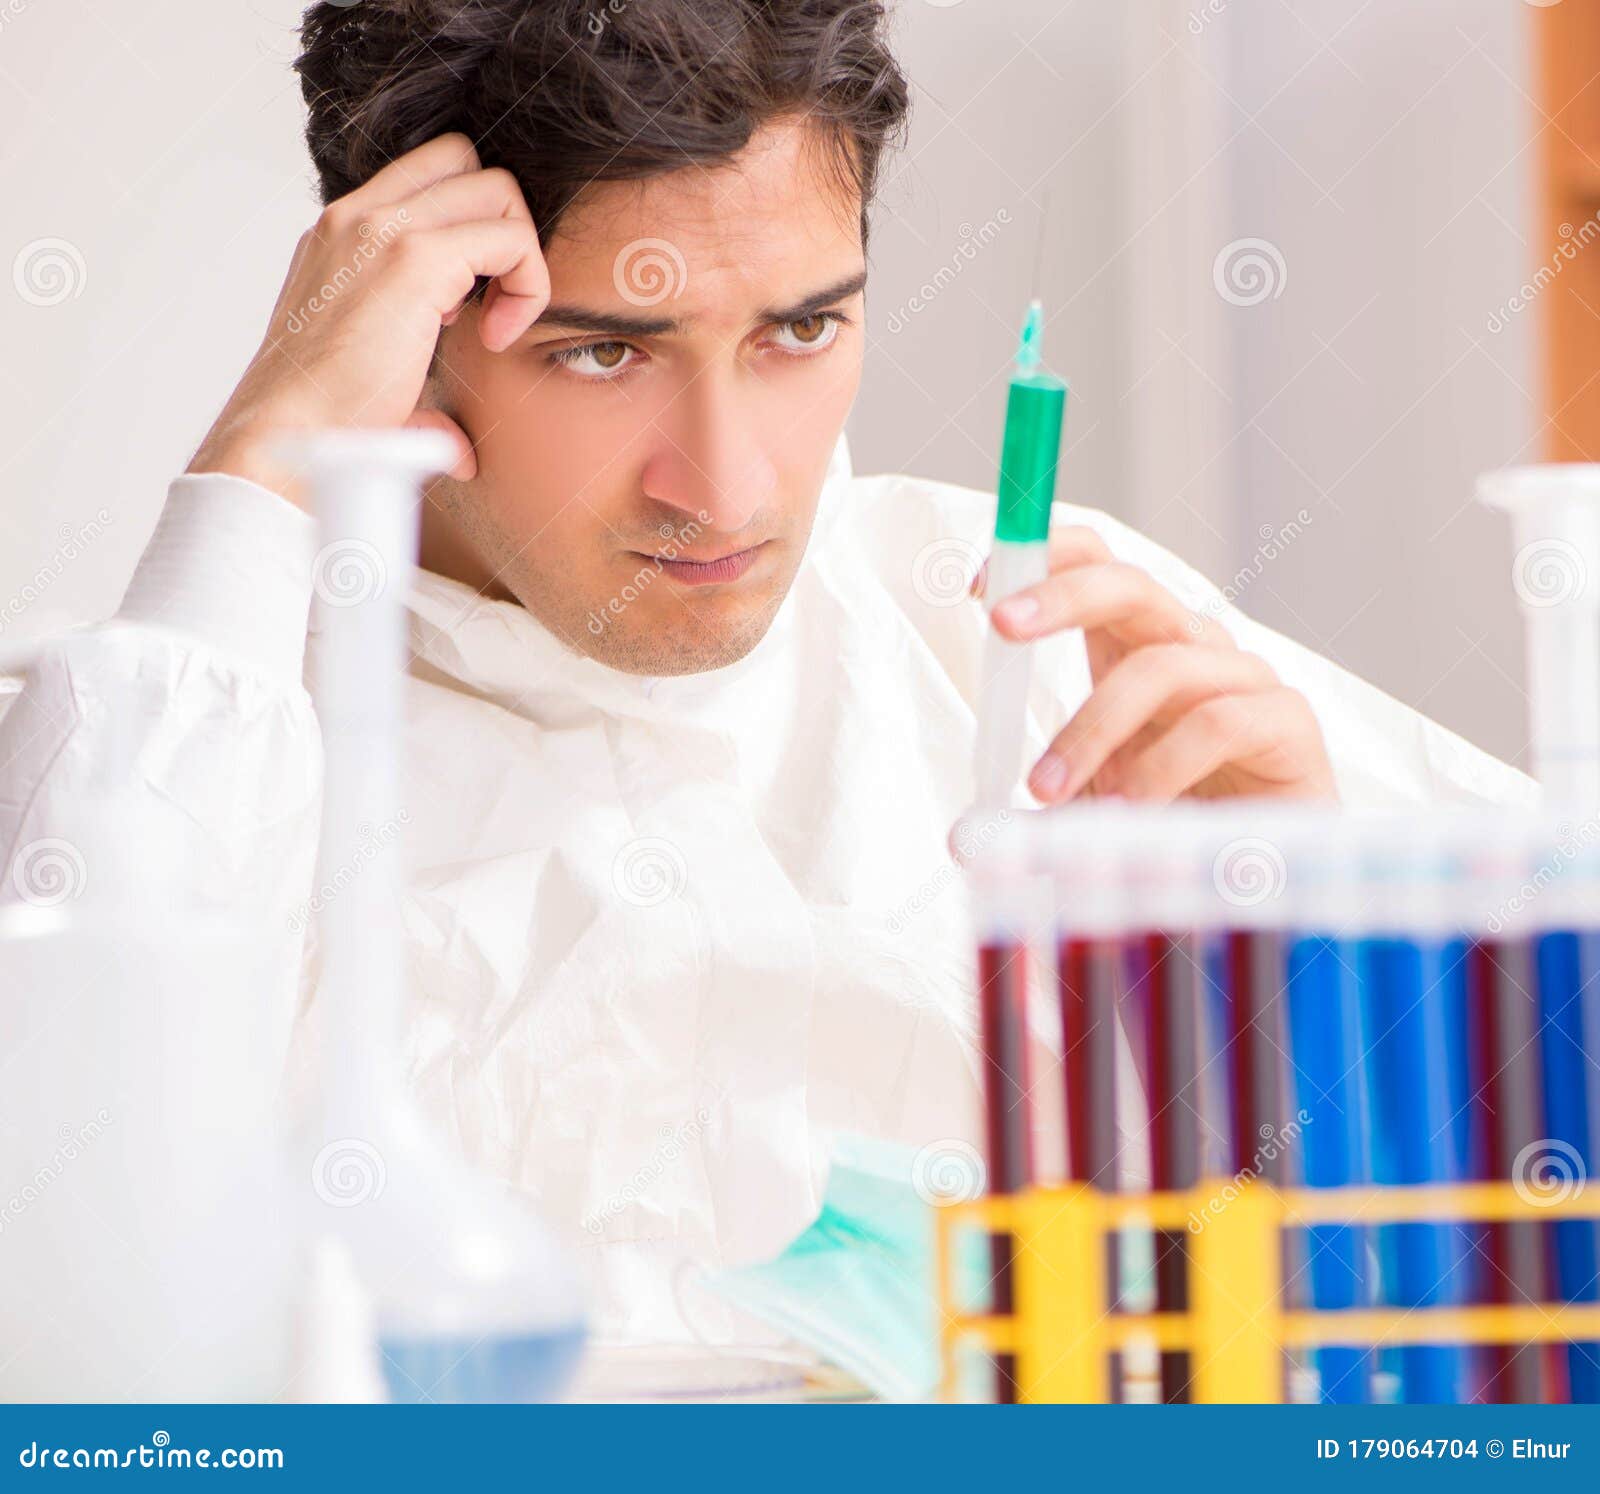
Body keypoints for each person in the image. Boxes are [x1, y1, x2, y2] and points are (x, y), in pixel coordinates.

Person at [0, 0, 1530, 1387]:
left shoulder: (1066, 643)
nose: (726, 489)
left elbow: (1492, 1284)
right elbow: (66, 1297)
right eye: (605, 353)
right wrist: (266, 452)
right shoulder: (179, 736)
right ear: (405, 316)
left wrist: (1330, 969)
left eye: (802, 329)